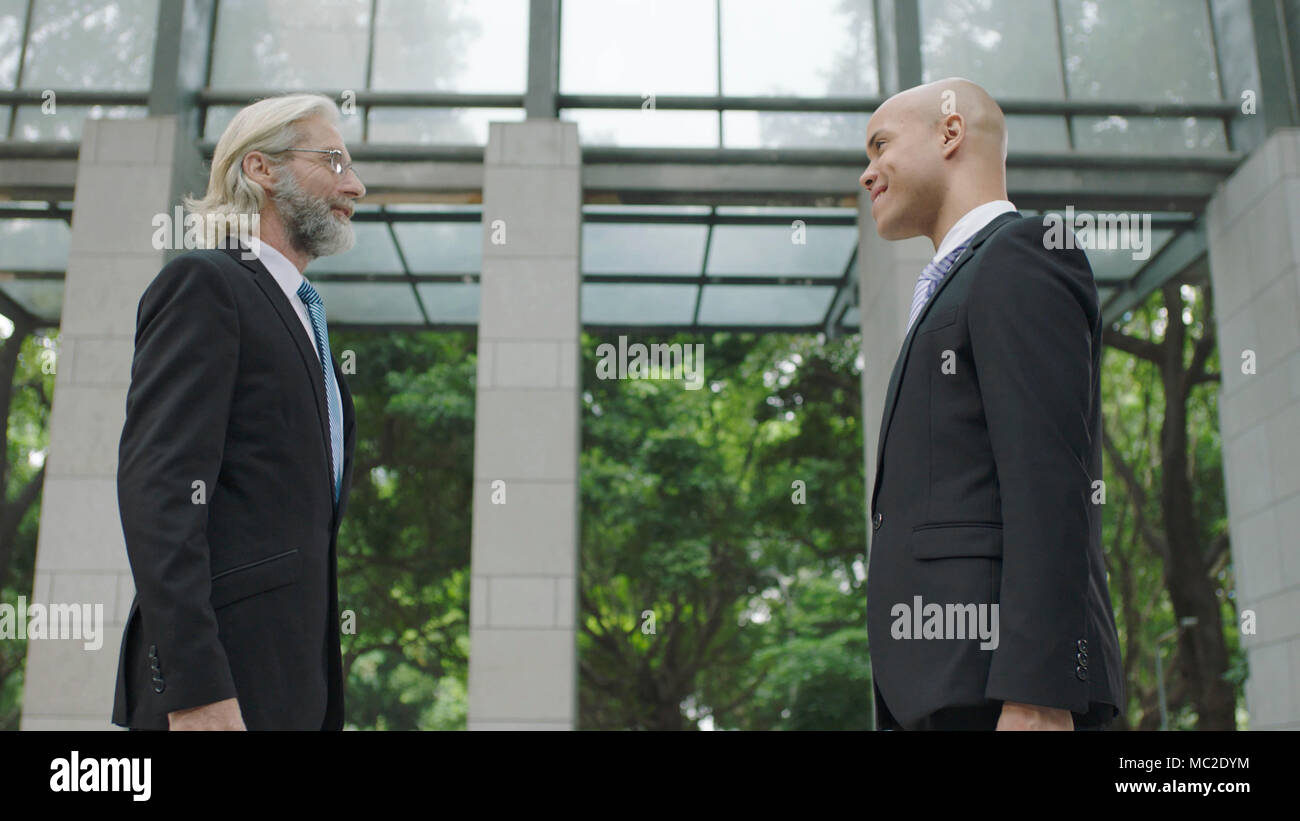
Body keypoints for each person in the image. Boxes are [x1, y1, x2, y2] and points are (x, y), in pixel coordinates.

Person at [860, 78, 1123, 730]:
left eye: (879, 146)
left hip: (1003, 695)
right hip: (943, 691)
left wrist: (1038, 696)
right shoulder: (956, 284)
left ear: (950, 133)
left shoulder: (1024, 253)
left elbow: (1048, 481)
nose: (867, 174)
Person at [112, 93, 365, 730]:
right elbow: (161, 492)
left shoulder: (309, 324)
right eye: (332, 160)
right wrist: (194, 691)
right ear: (261, 168)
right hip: (216, 699)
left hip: (290, 697)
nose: (355, 185)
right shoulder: (206, 284)